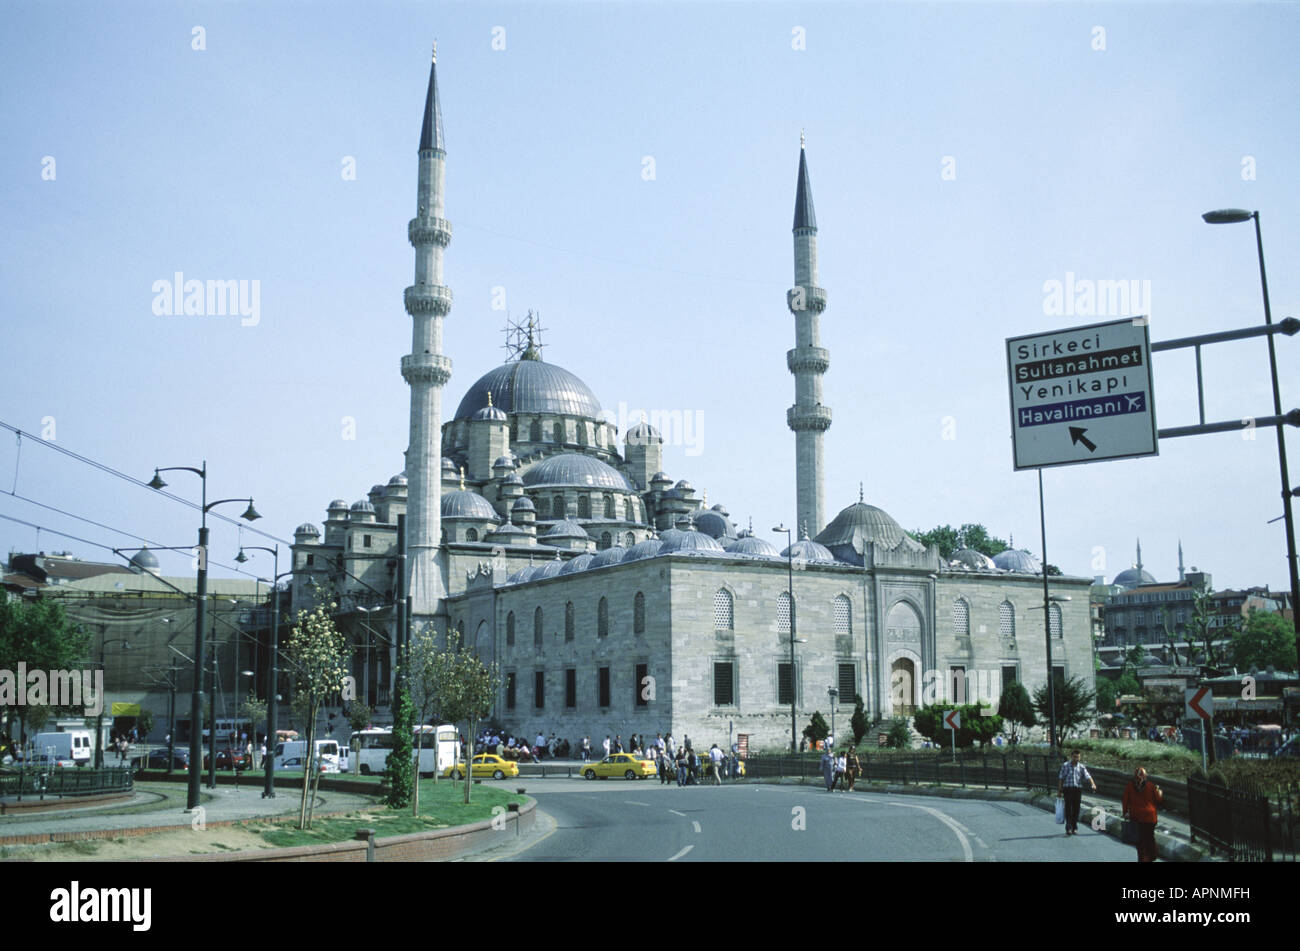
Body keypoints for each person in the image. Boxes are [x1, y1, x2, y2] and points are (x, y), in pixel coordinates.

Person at [1122, 767, 1164, 862]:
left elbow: (1125, 800)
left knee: (1140, 841)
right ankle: (1151, 856)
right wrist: (1160, 792)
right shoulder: (1151, 786)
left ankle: (1143, 859)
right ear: (1145, 776)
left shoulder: (1130, 786)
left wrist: (1125, 812)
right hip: (1150, 817)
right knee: (1149, 837)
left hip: (1136, 817)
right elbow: (1159, 800)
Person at [1058, 749, 1096, 836]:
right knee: (1068, 808)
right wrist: (1059, 790)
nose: (1076, 759)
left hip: (1077, 790)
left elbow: (1087, 776)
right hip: (1067, 789)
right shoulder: (1065, 765)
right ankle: (1068, 827)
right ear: (1071, 756)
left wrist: (1093, 784)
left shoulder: (1081, 767)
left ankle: (1074, 826)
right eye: (1075, 757)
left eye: (1078, 757)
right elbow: (1061, 778)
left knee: (1076, 809)